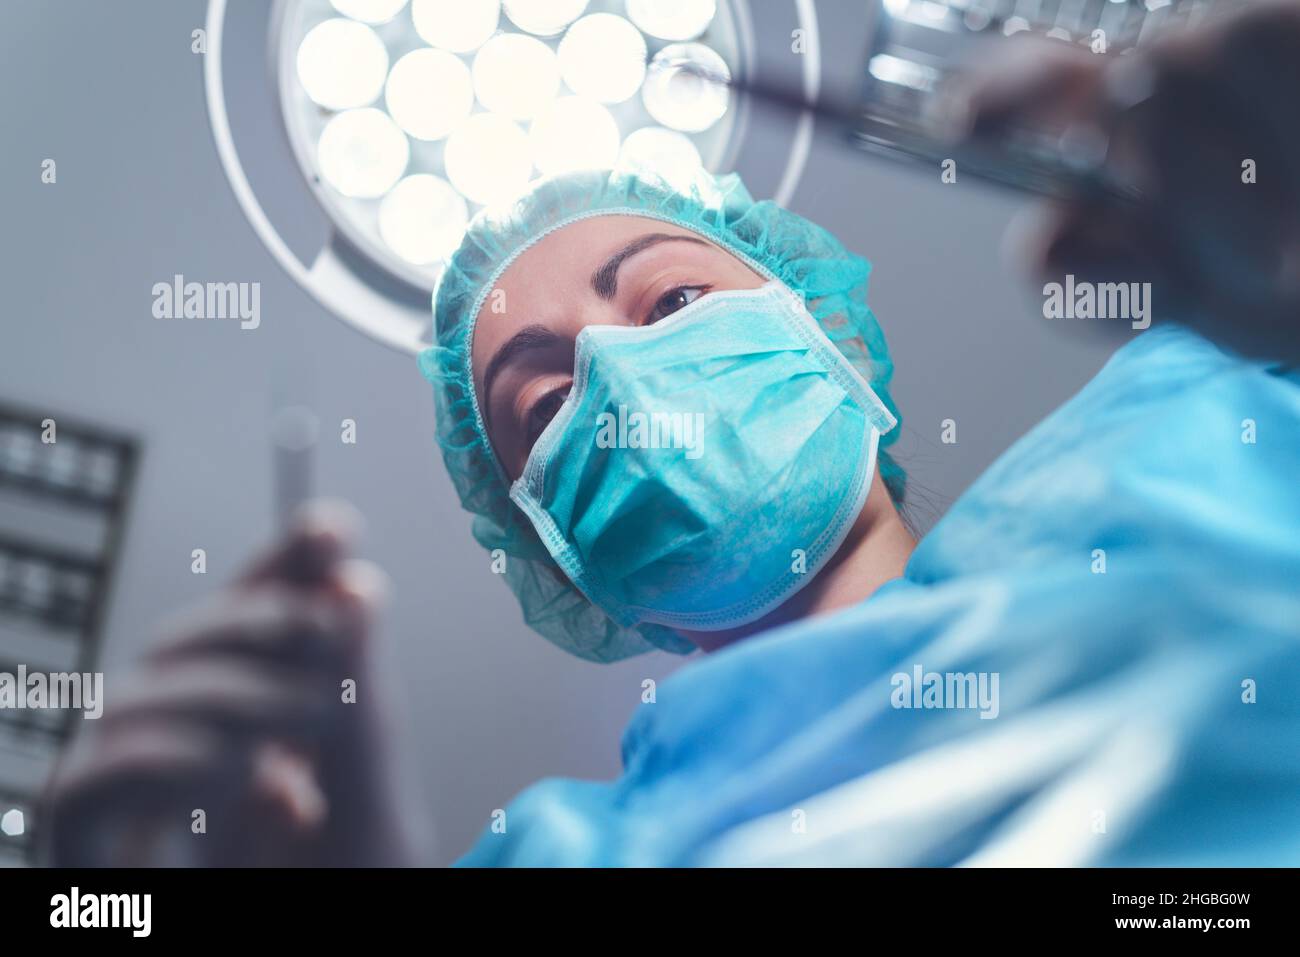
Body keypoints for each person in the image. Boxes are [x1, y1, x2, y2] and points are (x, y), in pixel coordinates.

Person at [41, 0, 1300, 866]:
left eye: (678, 302)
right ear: (564, 559)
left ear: (828, 341)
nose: (621, 371)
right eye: (545, 407)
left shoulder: (1208, 409)